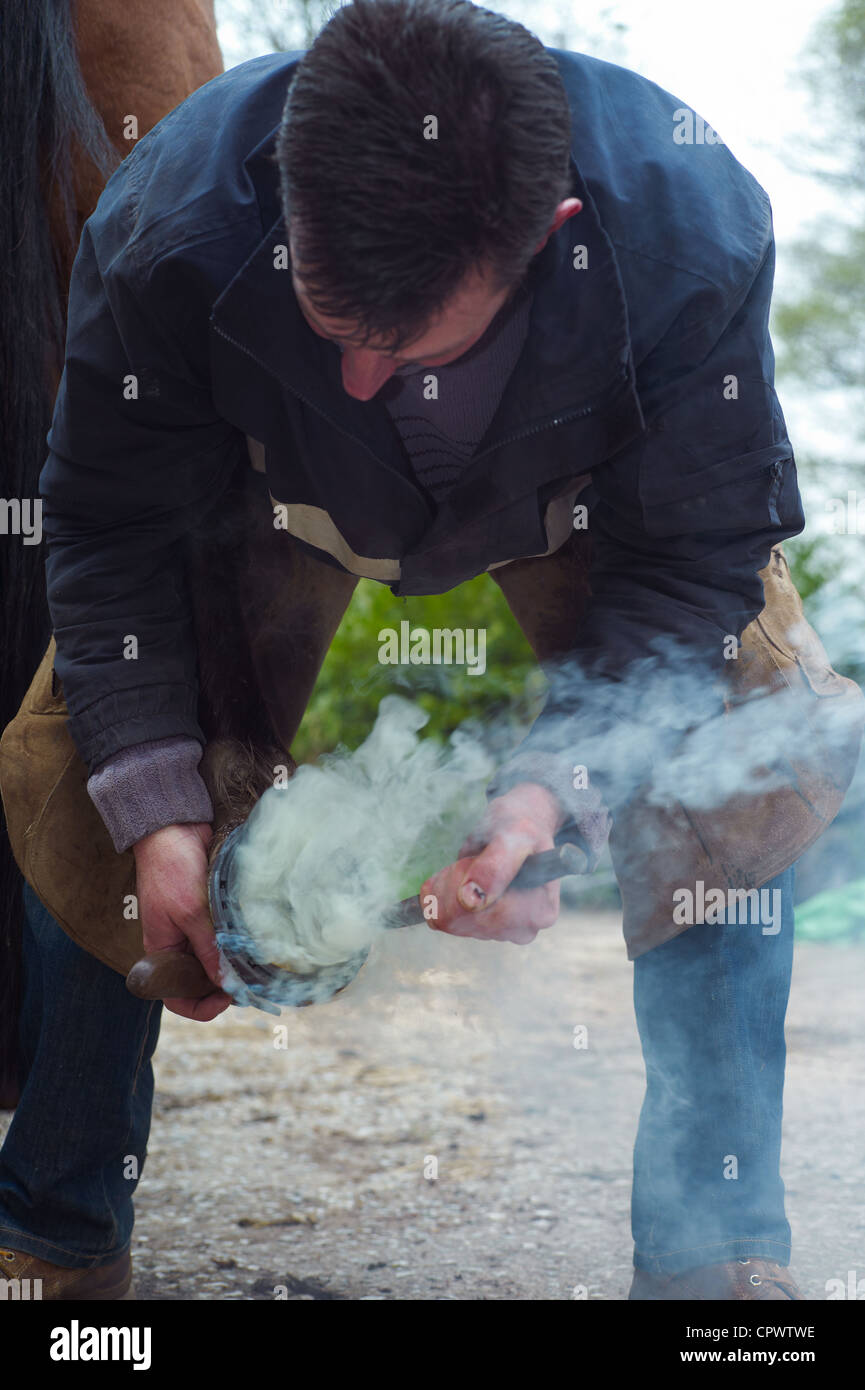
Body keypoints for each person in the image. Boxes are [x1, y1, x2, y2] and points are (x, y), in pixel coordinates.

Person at [0, 0, 841, 1301]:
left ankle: (709, 1251)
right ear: (283, 190)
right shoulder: (166, 221)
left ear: (544, 243)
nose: (359, 372)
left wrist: (551, 790)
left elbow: (694, 558)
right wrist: (161, 808)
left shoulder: (687, 230)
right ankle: (53, 1226)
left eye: (403, 342)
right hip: (261, 489)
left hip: (582, 503)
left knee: (744, 745)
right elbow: (109, 535)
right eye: (330, 319)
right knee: (84, 762)